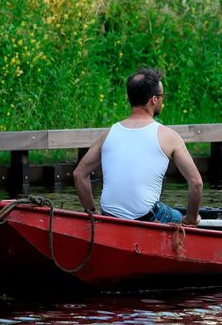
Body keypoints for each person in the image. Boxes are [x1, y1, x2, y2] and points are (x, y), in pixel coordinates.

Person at [73, 68, 203, 225]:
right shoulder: (169, 136)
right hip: (147, 217)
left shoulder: (108, 134)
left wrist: (92, 214)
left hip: (109, 217)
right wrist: (190, 219)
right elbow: (196, 182)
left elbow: (79, 175)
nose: (163, 100)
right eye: (162, 96)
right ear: (154, 100)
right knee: (183, 216)